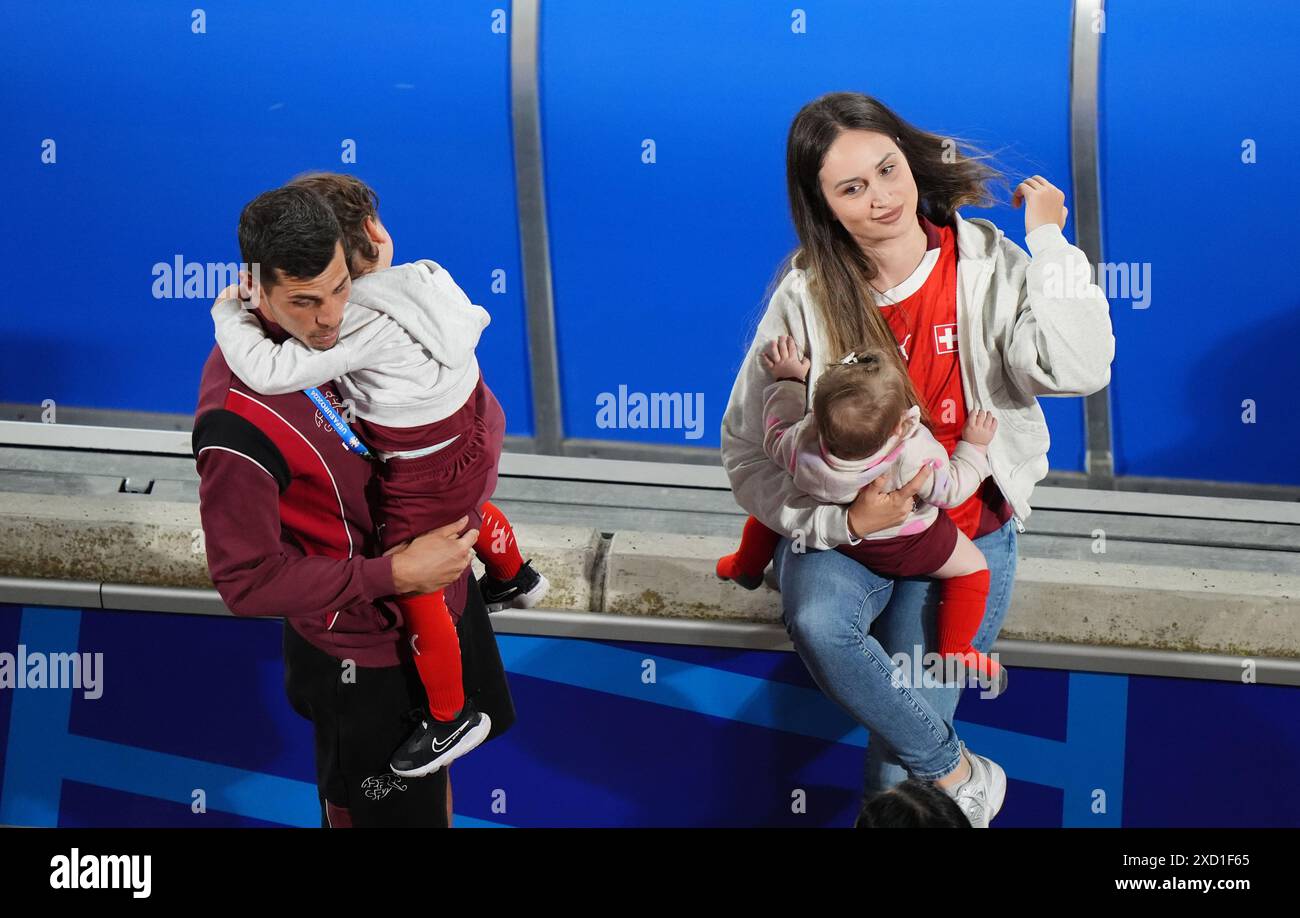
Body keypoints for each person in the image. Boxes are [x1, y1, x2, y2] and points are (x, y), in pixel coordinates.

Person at [719, 92, 1115, 827]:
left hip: (962, 532)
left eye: (888, 170)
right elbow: (749, 452)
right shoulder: (806, 295)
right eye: (852, 188)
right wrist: (842, 521)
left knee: (898, 770)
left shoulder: (993, 264)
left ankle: (935, 770)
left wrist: (1052, 243)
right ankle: (960, 768)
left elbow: (1081, 366)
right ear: (824, 205)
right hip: (853, 534)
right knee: (815, 618)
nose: (881, 199)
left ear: (911, 160)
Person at [193, 182, 515, 827]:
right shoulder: (237, 422)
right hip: (363, 646)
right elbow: (245, 581)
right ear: (254, 287)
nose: (330, 318)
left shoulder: (363, 321)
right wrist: (394, 575)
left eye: (339, 287)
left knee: (435, 794)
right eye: (304, 302)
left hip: (442, 595)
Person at [723, 334, 1006, 690]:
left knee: (771, 515)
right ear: (902, 424)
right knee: (973, 569)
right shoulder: (914, 452)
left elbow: (776, 427)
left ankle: (744, 565)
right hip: (909, 545)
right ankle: (954, 648)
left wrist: (790, 379)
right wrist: (974, 447)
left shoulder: (800, 445)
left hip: (839, 540)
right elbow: (951, 491)